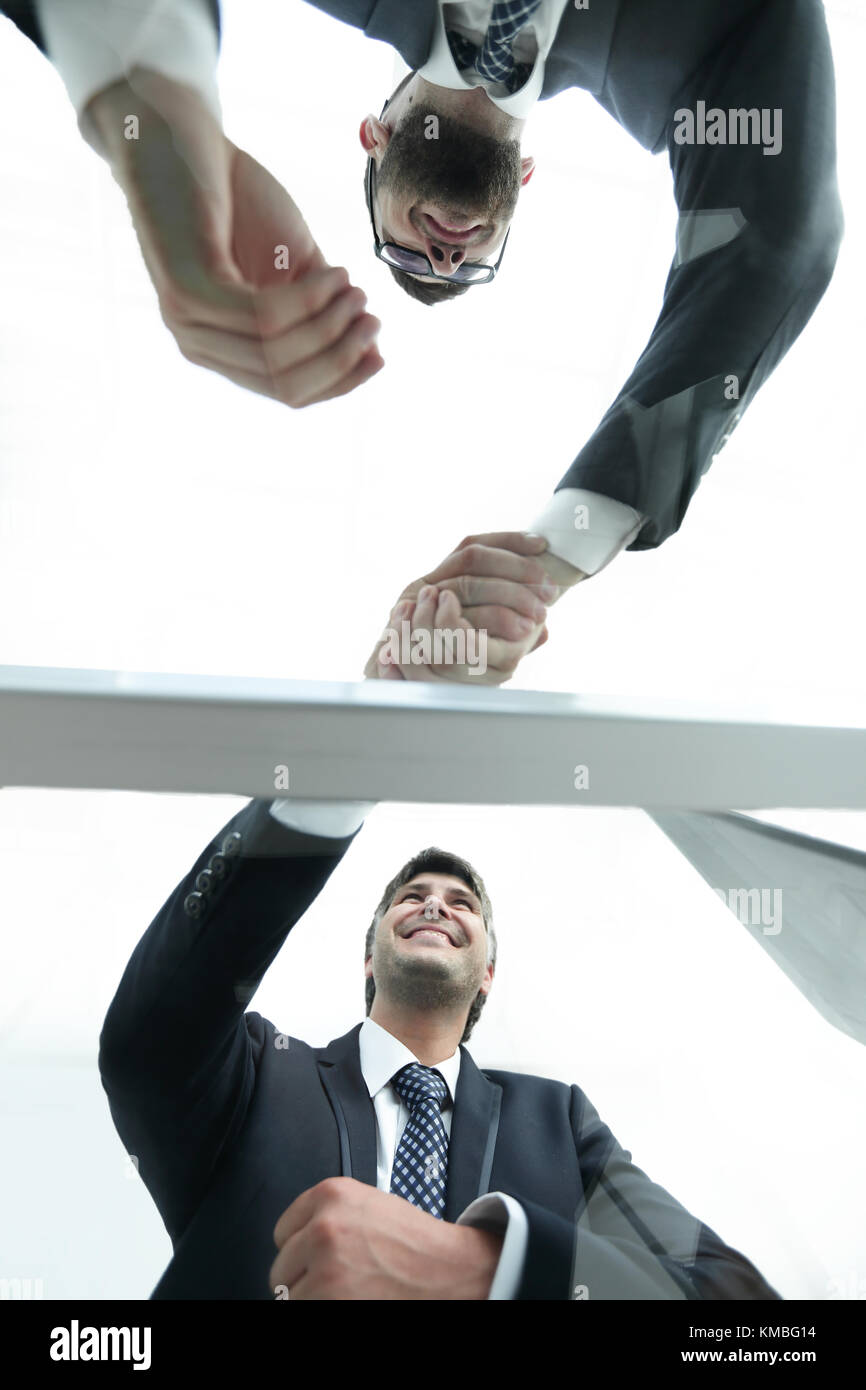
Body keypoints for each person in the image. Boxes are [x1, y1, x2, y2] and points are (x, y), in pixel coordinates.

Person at [2, 1, 844, 687]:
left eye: (404, 250)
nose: (442, 255)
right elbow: (776, 243)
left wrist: (167, 147)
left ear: (373, 138)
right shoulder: (710, 48)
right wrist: (543, 568)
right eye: (464, 266)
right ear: (523, 183)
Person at [98, 796, 782, 1299]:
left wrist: (495, 1271)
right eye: (412, 896)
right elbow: (148, 1039)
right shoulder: (256, 1077)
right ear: (370, 958)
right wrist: (331, 777)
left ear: (487, 973)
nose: (435, 905)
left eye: (462, 903)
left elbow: (744, 1318)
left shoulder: (559, 1123)